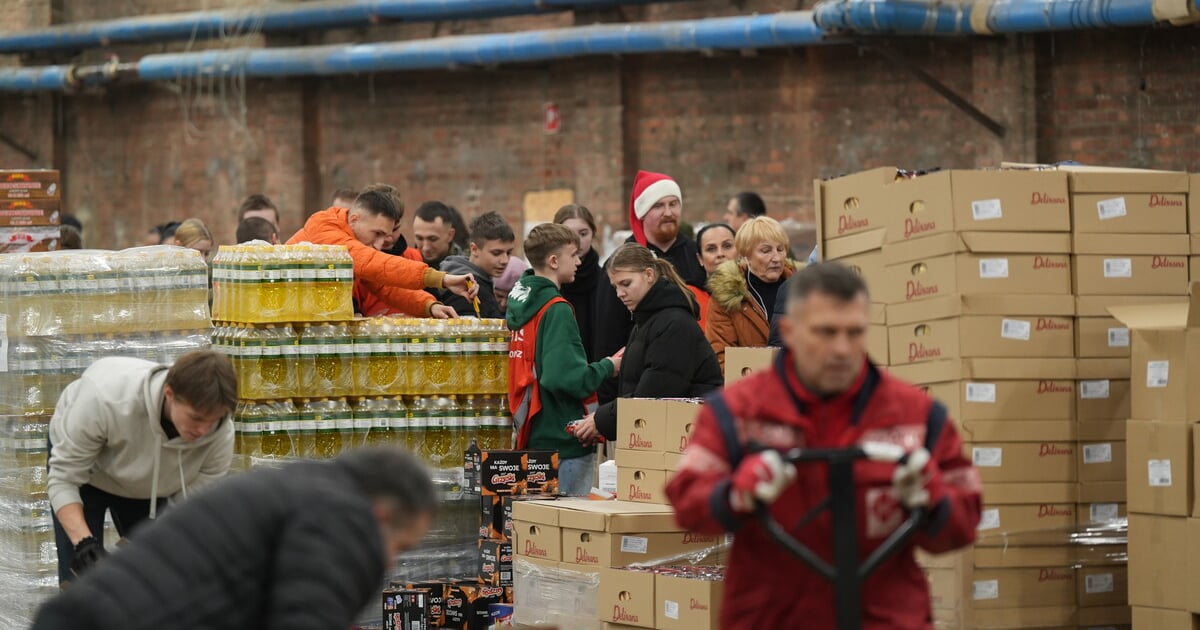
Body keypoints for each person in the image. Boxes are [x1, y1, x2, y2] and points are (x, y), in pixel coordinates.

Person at [664, 262, 982, 629]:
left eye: (855, 332)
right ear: (788, 331)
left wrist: (934, 497)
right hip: (772, 617)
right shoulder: (737, 412)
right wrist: (737, 493)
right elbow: (686, 504)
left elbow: (965, 521)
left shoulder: (917, 416)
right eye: (826, 333)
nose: (843, 349)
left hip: (887, 617)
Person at [31, 447, 436, 630]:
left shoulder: (297, 488)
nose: (389, 565)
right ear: (381, 513)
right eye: (399, 547)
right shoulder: (341, 513)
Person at [48, 350, 237, 585]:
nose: (203, 431)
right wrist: (85, 544)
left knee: (157, 578)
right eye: (196, 418)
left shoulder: (220, 437)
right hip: (87, 473)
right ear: (170, 394)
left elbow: (186, 507)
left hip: (152, 485)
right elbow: (63, 480)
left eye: (214, 420)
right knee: (82, 579)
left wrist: (148, 542)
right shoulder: (105, 399)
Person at [506, 223, 623, 497]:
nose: (579, 261)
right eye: (573, 255)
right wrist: (609, 366)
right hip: (564, 438)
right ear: (554, 261)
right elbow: (563, 377)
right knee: (570, 530)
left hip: (535, 435)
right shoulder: (556, 309)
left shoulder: (522, 304)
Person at [573, 243, 722, 443]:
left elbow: (654, 394)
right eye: (616, 286)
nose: (619, 293)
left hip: (687, 440)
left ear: (649, 275)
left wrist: (601, 420)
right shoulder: (646, 320)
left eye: (626, 284)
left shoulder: (673, 323)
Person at [593, 170, 707, 402]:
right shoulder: (619, 265)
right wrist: (610, 409)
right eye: (658, 206)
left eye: (673, 204)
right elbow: (607, 340)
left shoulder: (698, 256)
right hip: (637, 391)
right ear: (643, 212)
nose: (668, 212)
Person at [288, 190, 476, 318]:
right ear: (354, 220)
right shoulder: (325, 227)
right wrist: (441, 279)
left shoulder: (350, 235)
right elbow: (372, 262)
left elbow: (386, 287)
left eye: (385, 236)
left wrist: (430, 306)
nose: (379, 245)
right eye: (376, 234)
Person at [706, 216, 800, 370]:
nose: (776, 258)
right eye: (766, 251)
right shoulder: (725, 297)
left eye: (780, 249)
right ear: (746, 255)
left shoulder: (803, 290)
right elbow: (721, 358)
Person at [440, 211, 514, 319]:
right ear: (474, 249)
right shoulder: (466, 289)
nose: (505, 260)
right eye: (496, 253)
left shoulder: (482, 281)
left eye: (508, 253)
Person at [555, 204, 602, 361]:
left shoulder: (607, 280)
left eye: (583, 233)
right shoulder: (549, 282)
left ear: (593, 234)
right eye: (568, 234)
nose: (577, 241)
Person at [692, 222, 738, 332]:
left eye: (727, 246)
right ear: (700, 259)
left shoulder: (755, 292)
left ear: (739, 251)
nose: (720, 254)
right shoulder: (690, 297)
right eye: (711, 249)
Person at [412, 201, 467, 269]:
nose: (426, 248)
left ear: (450, 235)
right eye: (419, 238)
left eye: (433, 239)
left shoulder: (465, 269)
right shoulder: (406, 264)